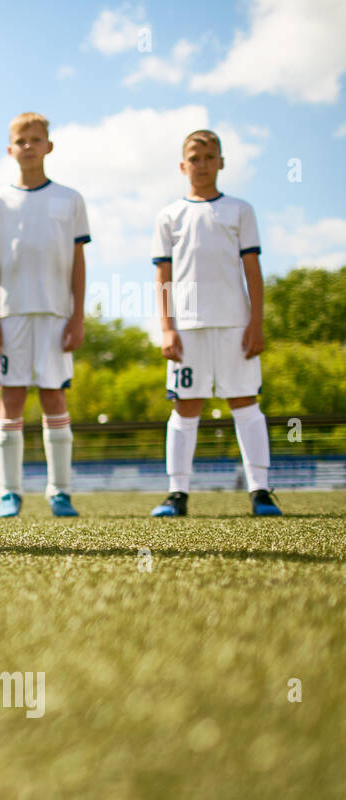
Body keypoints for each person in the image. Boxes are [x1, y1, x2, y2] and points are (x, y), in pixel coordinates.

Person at [149, 130, 280, 517]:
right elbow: (163, 276)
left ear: (221, 162)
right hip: (187, 327)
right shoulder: (169, 215)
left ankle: (260, 491)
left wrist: (256, 323)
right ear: (182, 165)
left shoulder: (240, 210)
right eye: (195, 157)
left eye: (210, 156)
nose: (202, 164)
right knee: (186, 407)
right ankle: (177, 493)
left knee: (245, 403)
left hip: (234, 325)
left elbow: (252, 270)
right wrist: (167, 327)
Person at [0, 112, 90, 518]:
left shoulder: (70, 199)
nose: (28, 146)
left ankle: (60, 491)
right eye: (20, 141)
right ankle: (9, 492)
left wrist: (76, 316)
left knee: (55, 396)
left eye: (35, 139)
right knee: (11, 400)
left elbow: (78, 261)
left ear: (49, 146)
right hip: (11, 316)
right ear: (10, 149)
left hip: (57, 314)